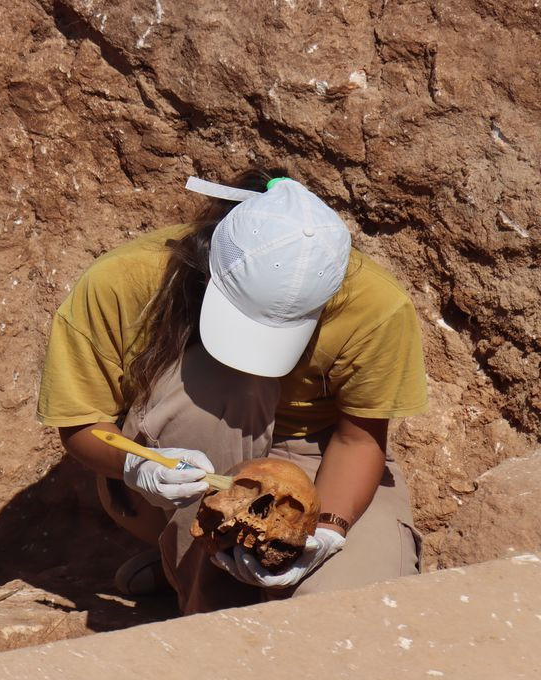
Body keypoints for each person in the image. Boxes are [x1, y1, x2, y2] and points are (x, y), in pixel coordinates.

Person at [36, 169, 426, 614]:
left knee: (351, 610)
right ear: (209, 265)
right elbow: (81, 425)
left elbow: (358, 439)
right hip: (181, 462)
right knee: (224, 387)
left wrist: (327, 533)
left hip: (318, 462)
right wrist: (136, 466)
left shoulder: (376, 304)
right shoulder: (121, 281)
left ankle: (204, 569)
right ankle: (200, 584)